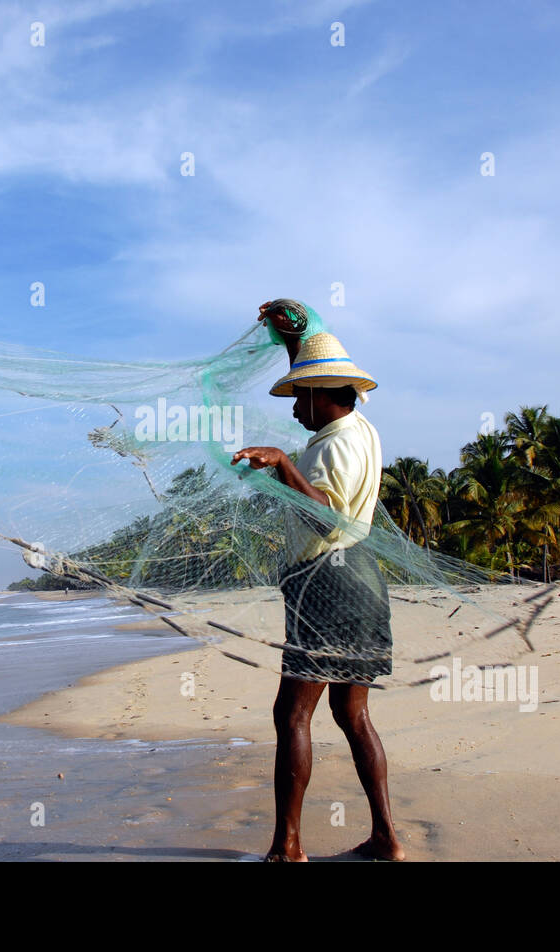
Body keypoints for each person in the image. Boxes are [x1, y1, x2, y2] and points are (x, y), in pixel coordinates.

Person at [231, 329, 406, 862]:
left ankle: (288, 848)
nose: (293, 411)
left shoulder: (333, 446)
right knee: (353, 715)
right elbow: (319, 384)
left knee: (293, 715)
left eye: (299, 398)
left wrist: (282, 463)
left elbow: (323, 512)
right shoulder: (360, 429)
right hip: (360, 578)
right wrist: (293, 342)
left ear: (324, 394)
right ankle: (385, 838)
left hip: (327, 585)